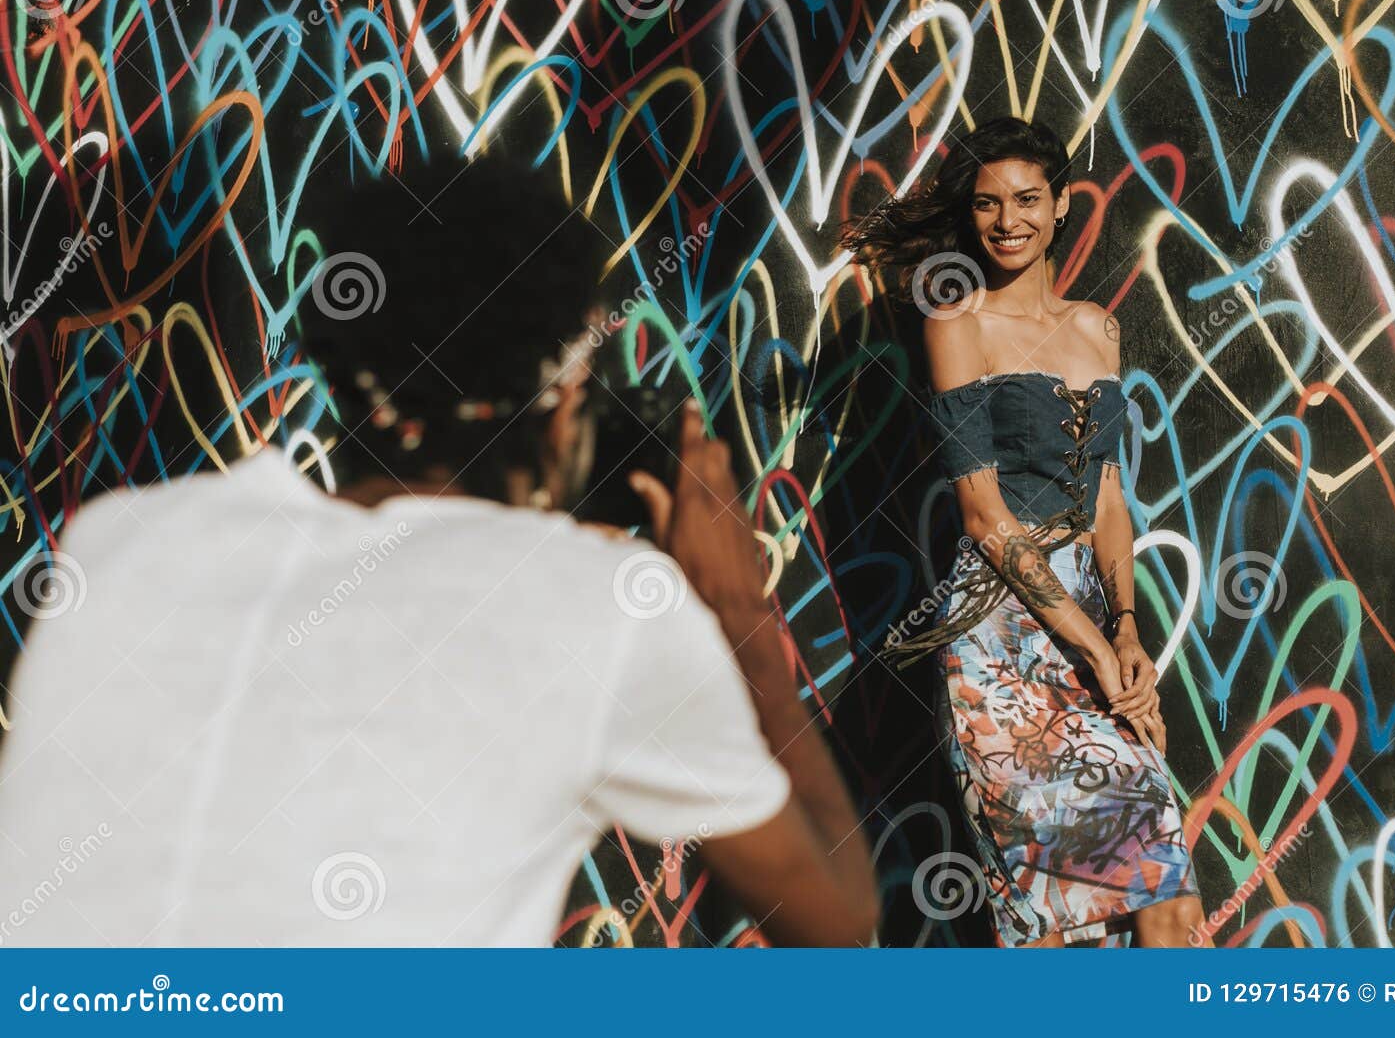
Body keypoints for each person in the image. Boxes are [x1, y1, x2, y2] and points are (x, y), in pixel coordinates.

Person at [0, 153, 879, 947]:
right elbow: (837, 921)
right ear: (561, 398)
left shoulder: (124, 537)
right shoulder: (604, 608)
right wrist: (737, 605)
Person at [839, 116, 1204, 947]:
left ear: (1061, 203)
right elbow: (985, 518)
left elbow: (1109, 498)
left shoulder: (1098, 327)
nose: (1009, 220)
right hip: (998, 646)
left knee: (1170, 903)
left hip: (1089, 627)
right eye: (988, 203)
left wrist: (1126, 627)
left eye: (1028, 199)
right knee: (1050, 924)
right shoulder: (957, 324)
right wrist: (1096, 649)